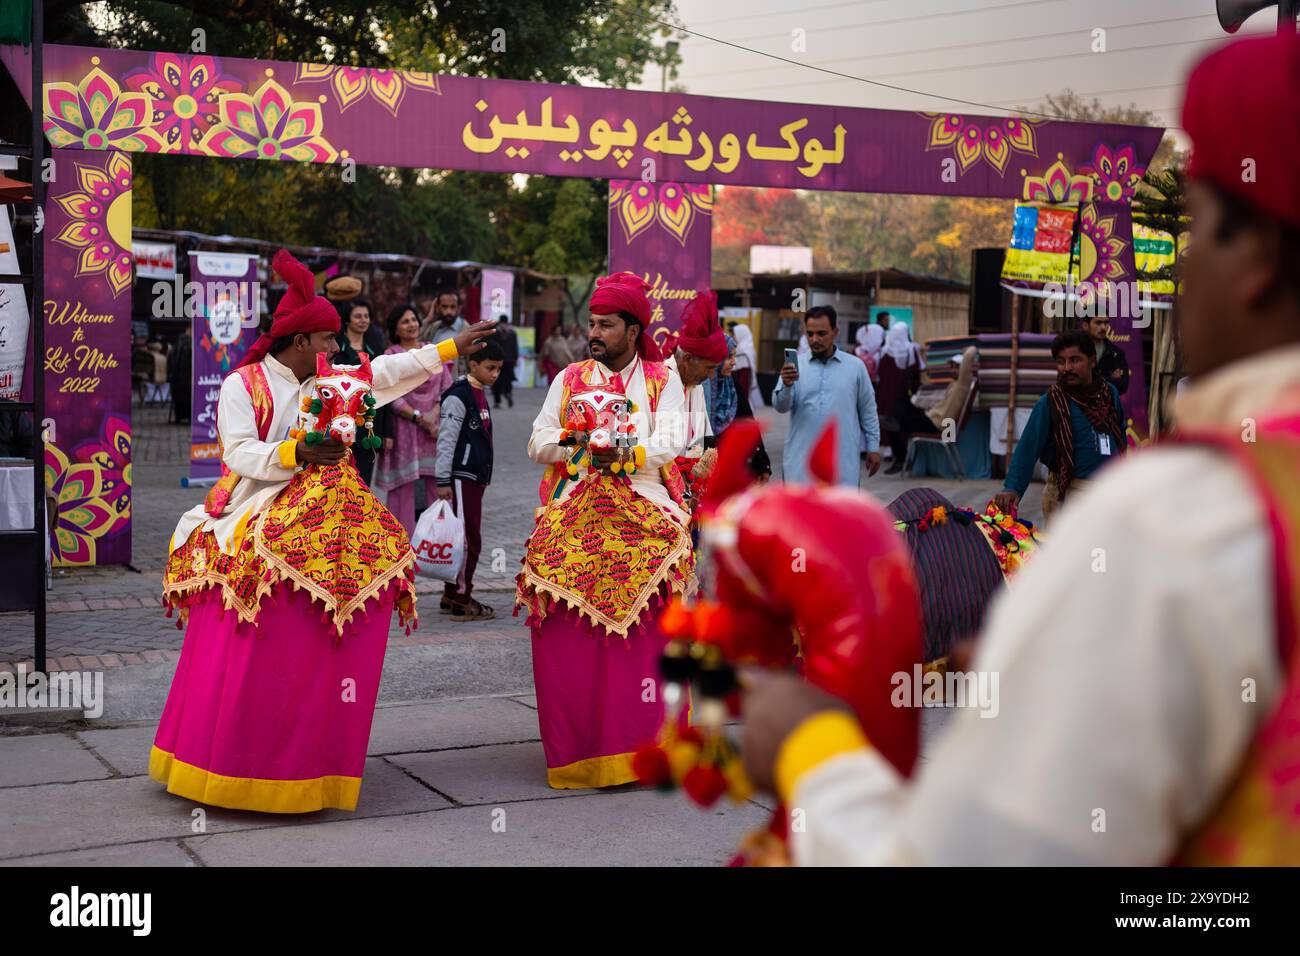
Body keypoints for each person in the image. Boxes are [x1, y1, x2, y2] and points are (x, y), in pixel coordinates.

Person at [739, 31, 1300, 865]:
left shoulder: (1179, 520)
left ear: (1252, 256)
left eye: (1199, 229)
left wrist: (811, 752)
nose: (1180, 275)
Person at [152, 248, 496, 814]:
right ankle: (243, 753)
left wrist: (449, 348)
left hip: (335, 505)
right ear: (299, 340)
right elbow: (238, 454)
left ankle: (321, 743)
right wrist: (297, 450)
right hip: (257, 501)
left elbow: (386, 374)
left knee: (381, 564)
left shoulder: (333, 378)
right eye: (327, 341)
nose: (336, 351)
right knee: (259, 570)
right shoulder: (246, 385)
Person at [518, 272, 691, 789]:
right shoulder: (569, 379)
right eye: (592, 324)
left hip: (645, 494)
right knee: (548, 581)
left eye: (607, 325)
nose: (595, 333)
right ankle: (580, 750)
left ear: (633, 330)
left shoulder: (665, 378)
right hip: (579, 493)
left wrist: (629, 453)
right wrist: (581, 442)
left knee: (669, 566)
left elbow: (675, 437)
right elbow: (536, 442)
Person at [992, 329, 1125, 522]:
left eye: (1074, 360)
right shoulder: (1051, 402)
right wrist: (1012, 488)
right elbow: (1027, 448)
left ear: (1092, 361)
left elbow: (1120, 436)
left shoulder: (1110, 394)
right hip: (1068, 495)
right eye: (1061, 361)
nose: (1066, 368)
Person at [772, 305, 882, 486]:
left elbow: (868, 409)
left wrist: (873, 447)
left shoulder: (855, 367)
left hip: (842, 464)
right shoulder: (795, 366)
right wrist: (786, 385)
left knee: (840, 512)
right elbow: (780, 407)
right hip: (800, 465)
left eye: (821, 333)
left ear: (835, 332)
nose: (815, 339)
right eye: (810, 334)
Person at [436, 338, 503, 622]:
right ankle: (462, 598)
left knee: (465, 537)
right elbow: (446, 440)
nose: (495, 375)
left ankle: (452, 593)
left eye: (499, 369)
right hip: (461, 478)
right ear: (472, 364)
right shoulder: (458, 395)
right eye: (490, 368)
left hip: (475, 478)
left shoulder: (479, 391)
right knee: (467, 540)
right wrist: (442, 480)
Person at [373, 303, 455, 533]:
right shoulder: (391, 357)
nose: (412, 325)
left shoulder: (432, 351)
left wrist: (434, 414)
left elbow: (446, 387)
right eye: (405, 321)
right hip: (405, 429)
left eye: (414, 320)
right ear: (395, 329)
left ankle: (437, 544)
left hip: (434, 429)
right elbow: (391, 395)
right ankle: (401, 546)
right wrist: (420, 417)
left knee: (437, 485)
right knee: (403, 489)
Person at [335, 299, 382, 484]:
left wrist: (386, 432)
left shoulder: (375, 349)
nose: (363, 320)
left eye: (366, 316)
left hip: (368, 427)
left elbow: (382, 390)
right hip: (341, 423)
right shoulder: (337, 349)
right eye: (358, 316)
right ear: (347, 320)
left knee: (363, 481)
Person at [877, 324, 926, 474]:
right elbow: (921, 369)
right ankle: (906, 459)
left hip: (886, 396)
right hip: (907, 397)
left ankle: (898, 458)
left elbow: (880, 373)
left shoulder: (885, 351)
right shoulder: (912, 349)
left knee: (889, 425)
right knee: (903, 426)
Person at [1081, 314, 1131, 395]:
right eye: (1098, 323)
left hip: (1106, 406)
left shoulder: (1117, 353)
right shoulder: (1077, 351)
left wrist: (1091, 379)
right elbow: (1073, 382)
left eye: (1106, 323)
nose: (1103, 327)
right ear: (1085, 326)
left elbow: (1123, 386)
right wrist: (1110, 379)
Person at [419, 288, 468, 370]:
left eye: (452, 307)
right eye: (444, 307)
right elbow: (415, 344)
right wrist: (428, 320)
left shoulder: (466, 330)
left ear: (459, 308)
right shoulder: (433, 327)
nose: (448, 311)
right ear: (437, 307)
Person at [729, 322, 764, 409]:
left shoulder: (744, 353)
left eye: (734, 334)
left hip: (740, 401)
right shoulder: (740, 350)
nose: (733, 337)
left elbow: (743, 384)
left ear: (741, 335)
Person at [491, 318, 519, 409]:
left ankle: (497, 400)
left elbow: (493, 346)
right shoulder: (512, 333)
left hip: (498, 360)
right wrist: (515, 359)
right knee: (508, 380)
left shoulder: (495, 333)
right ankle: (508, 393)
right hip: (509, 360)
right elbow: (515, 347)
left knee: (497, 380)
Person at [169, 325, 192, 423]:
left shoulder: (181, 341)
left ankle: (181, 416)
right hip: (183, 378)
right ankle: (182, 416)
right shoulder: (183, 341)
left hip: (182, 378)